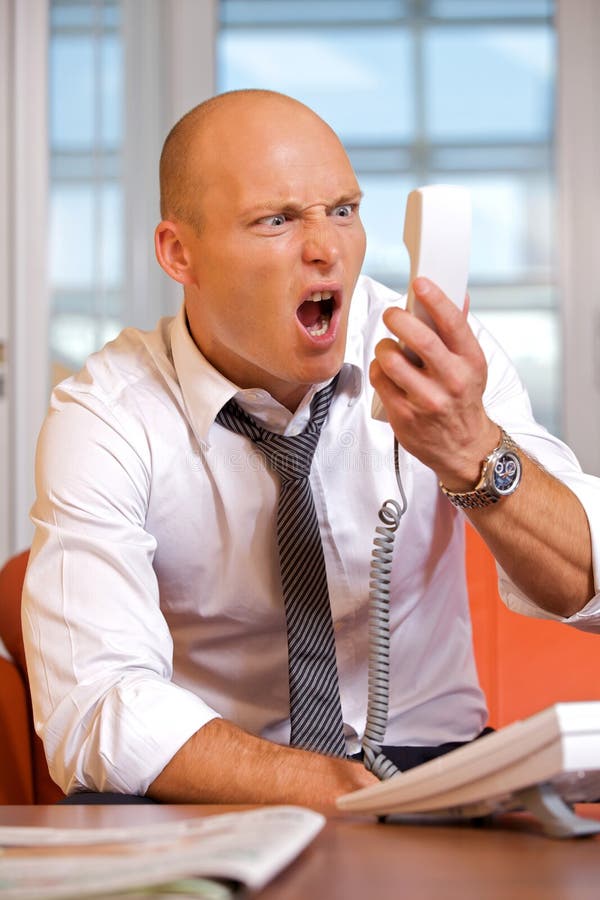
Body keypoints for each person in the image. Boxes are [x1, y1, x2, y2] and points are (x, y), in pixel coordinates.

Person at [22, 89, 600, 809]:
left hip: (431, 762)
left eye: (344, 211)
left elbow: (588, 588)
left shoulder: (439, 362)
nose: (327, 249)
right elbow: (94, 702)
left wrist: (471, 449)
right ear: (179, 253)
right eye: (277, 220)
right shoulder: (106, 413)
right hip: (218, 777)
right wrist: (337, 793)